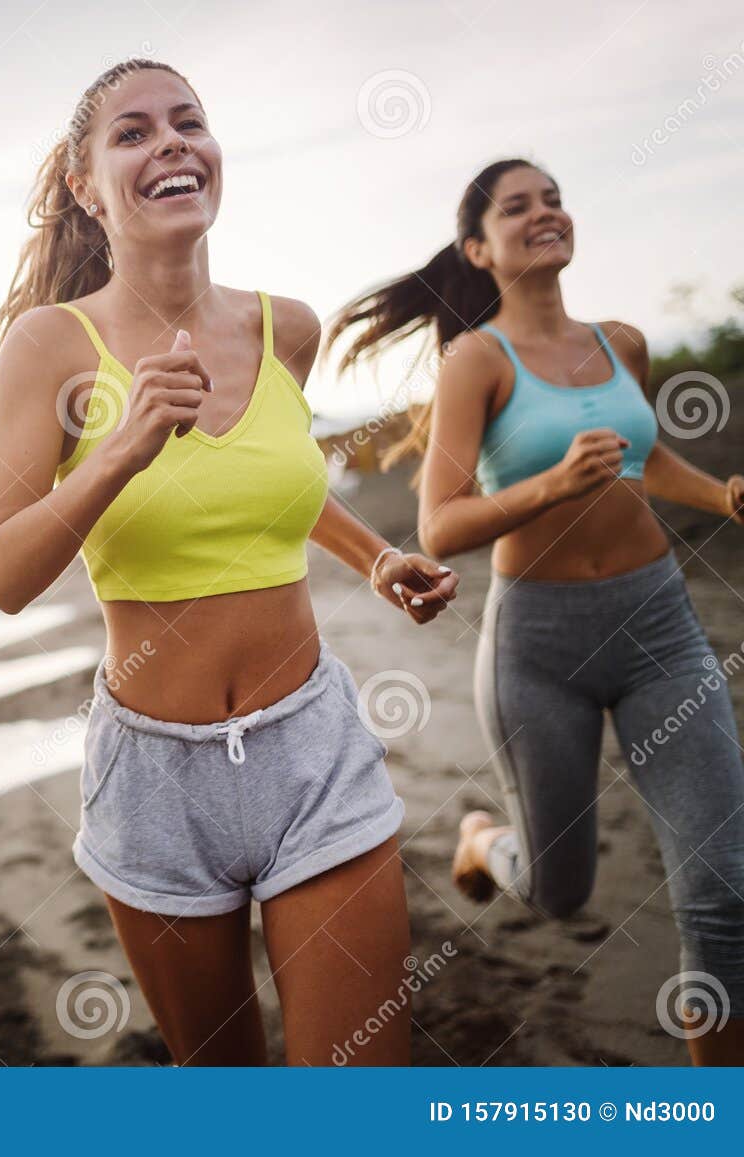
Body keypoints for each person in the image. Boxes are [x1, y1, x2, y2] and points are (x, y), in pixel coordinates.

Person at [0, 59, 459, 1065]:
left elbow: (263, 486)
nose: (170, 143)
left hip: (312, 748)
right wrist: (121, 448)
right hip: (154, 778)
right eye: (133, 132)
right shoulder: (49, 347)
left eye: (187, 122)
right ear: (83, 185)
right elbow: (6, 574)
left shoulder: (285, 327)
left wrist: (376, 557)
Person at [329, 158, 744, 1064]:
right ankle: (483, 838)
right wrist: (551, 483)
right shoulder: (475, 360)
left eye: (554, 198)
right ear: (480, 248)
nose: (545, 212)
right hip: (539, 648)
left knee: (722, 886)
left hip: (660, 628)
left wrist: (723, 498)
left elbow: (646, 457)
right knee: (560, 893)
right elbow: (439, 523)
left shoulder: (623, 342)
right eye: (518, 206)